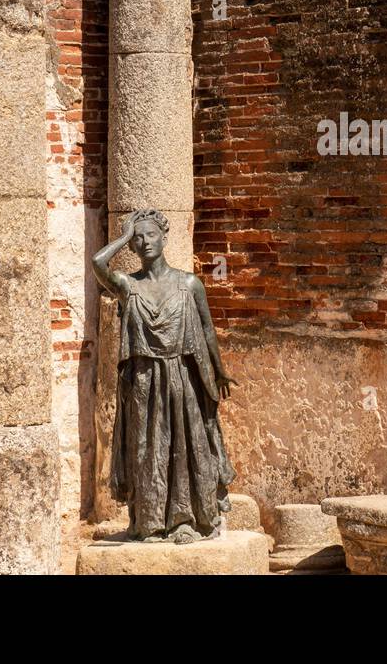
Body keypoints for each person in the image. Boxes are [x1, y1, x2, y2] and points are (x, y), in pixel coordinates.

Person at [91, 209, 238, 543]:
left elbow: (207, 329)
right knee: (147, 451)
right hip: (143, 380)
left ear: (164, 238)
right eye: (138, 238)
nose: (144, 242)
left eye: (150, 235)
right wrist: (125, 234)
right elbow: (98, 263)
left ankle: (187, 520)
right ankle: (150, 522)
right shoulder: (128, 285)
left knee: (186, 447)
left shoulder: (189, 283)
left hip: (183, 375)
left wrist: (218, 371)